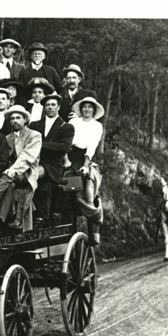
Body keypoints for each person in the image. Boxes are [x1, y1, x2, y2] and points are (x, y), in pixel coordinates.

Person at [0, 105, 42, 231]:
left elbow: (28, 156)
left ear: (25, 120)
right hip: (10, 173)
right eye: (12, 118)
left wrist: (14, 169)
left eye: (18, 118)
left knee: (8, 176)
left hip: (27, 172)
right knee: (11, 185)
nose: (15, 121)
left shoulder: (34, 135)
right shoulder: (7, 138)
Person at [29, 92, 75, 225]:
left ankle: (41, 215)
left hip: (53, 164)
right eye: (47, 105)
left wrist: (40, 144)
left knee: (34, 175)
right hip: (35, 160)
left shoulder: (66, 127)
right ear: (44, 107)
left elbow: (64, 147)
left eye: (53, 105)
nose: (50, 107)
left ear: (58, 107)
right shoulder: (35, 125)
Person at [67, 96, 105, 246]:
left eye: (90, 107)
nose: (87, 109)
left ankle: (94, 221)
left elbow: (92, 145)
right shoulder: (73, 122)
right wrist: (65, 159)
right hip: (69, 154)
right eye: (84, 107)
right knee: (64, 179)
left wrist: (86, 164)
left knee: (87, 183)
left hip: (84, 157)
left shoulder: (97, 126)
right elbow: (68, 141)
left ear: (94, 110)